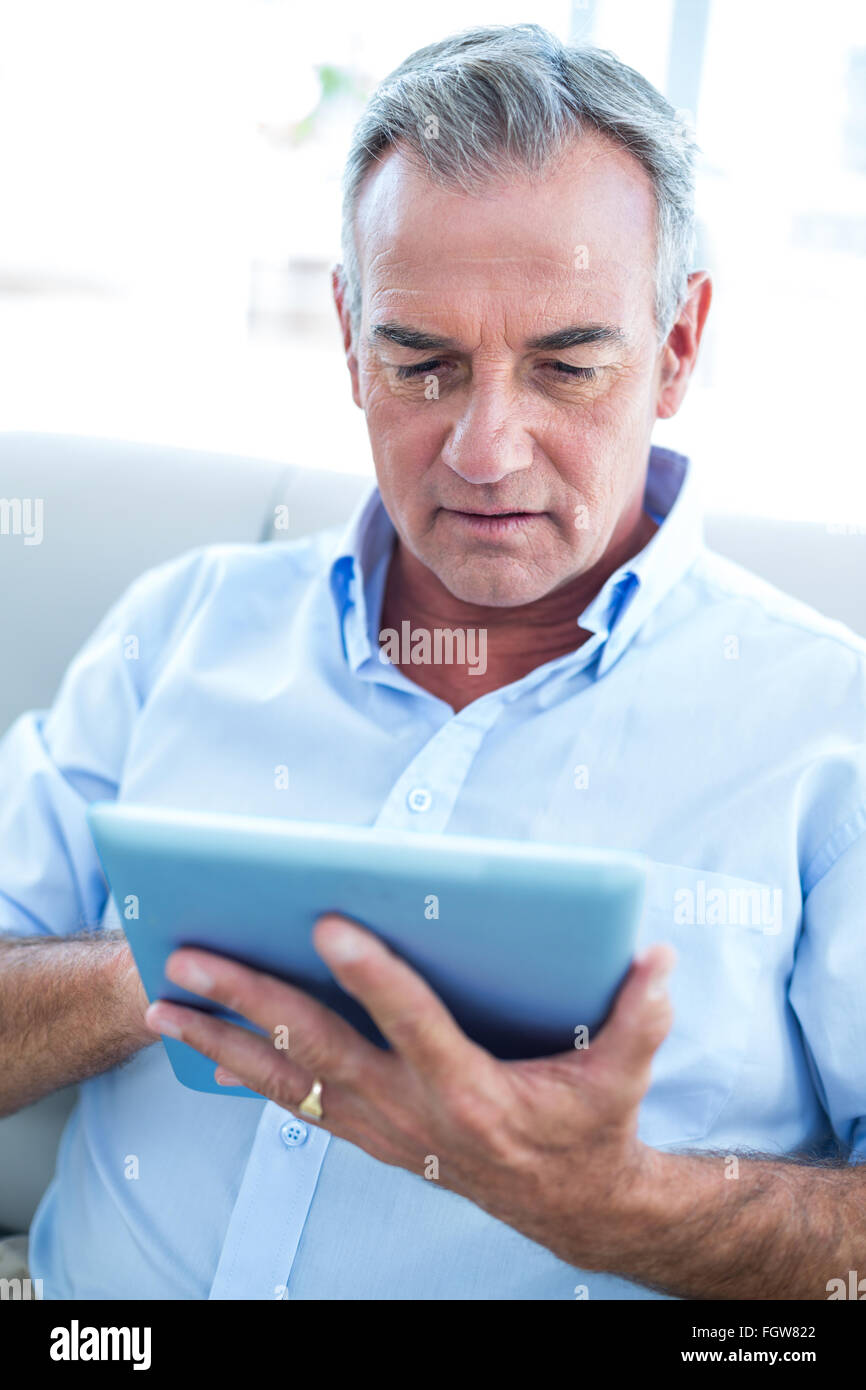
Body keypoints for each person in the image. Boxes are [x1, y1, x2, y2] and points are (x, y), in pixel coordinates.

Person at [2, 23, 865, 1301]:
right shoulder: (182, 626)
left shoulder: (824, 728)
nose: (482, 449)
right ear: (350, 335)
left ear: (676, 347)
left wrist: (621, 1209)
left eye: (567, 364)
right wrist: (184, 962)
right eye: (422, 363)